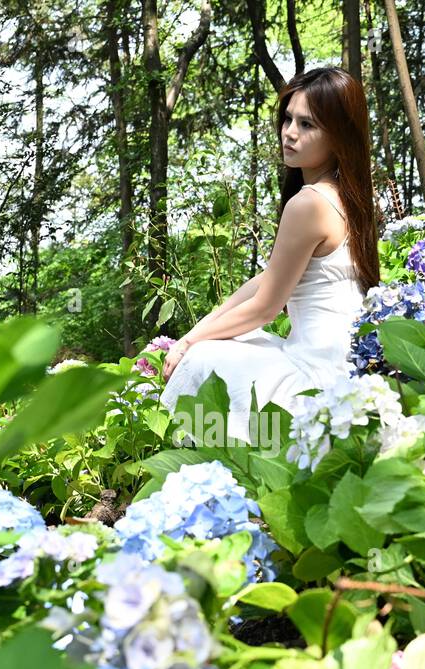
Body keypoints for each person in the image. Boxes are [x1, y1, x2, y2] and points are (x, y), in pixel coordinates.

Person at [159, 66, 380, 447]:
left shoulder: (308, 204)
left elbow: (265, 309)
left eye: (307, 124)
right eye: (288, 119)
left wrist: (188, 346)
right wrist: (195, 332)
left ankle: (209, 471)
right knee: (215, 346)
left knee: (203, 361)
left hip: (316, 377)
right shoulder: (347, 198)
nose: (289, 132)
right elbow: (267, 280)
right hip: (346, 368)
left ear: (339, 135)